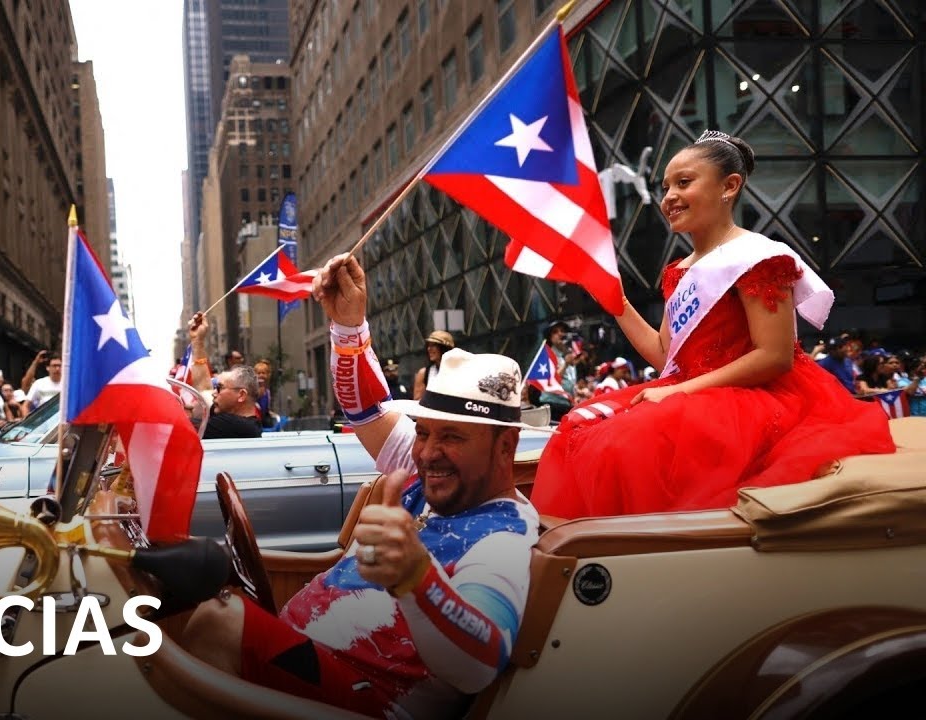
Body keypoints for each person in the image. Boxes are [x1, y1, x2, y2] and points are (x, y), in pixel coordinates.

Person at [184, 253, 545, 719]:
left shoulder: (505, 535)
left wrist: (418, 578)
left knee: (217, 619)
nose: (429, 451)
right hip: (306, 664)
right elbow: (367, 409)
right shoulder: (430, 472)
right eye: (423, 431)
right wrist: (348, 327)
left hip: (363, 702)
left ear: (504, 447)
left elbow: (479, 664)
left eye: (453, 436)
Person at [532, 130, 896, 520]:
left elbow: (775, 358)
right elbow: (666, 356)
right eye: (666, 186)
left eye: (684, 182)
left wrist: (679, 393)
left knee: (629, 443)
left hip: (758, 397)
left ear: (730, 186)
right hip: (688, 392)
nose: (668, 196)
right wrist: (619, 306)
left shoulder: (757, 257)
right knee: (578, 426)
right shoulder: (678, 271)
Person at [412, 330, 454, 400]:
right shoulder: (424, 373)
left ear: (444, 348)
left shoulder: (459, 370)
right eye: (428, 345)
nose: (429, 349)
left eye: (433, 345)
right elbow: (417, 401)